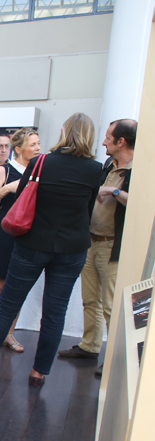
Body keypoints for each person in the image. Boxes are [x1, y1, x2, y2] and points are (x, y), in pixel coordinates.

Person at [0, 113, 103, 386]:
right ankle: (39, 371)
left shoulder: (42, 163)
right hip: (72, 248)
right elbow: (88, 211)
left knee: (8, 303)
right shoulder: (95, 169)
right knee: (55, 312)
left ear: (64, 132)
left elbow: (27, 197)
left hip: (33, 243)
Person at [58, 118, 135, 375]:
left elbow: (139, 205)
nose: (103, 142)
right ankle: (90, 345)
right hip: (91, 241)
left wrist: (113, 192)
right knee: (90, 299)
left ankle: (115, 360)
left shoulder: (140, 171)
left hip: (114, 246)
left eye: (108, 138)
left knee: (111, 304)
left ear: (121, 141)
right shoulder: (107, 166)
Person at [0, 127, 41, 351]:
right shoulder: (4, 171)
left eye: (38, 144)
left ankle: (8, 333)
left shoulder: (39, 172)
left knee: (18, 287)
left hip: (29, 235)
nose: (38, 148)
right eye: (33, 144)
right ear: (19, 148)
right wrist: (7, 190)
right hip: (4, 235)